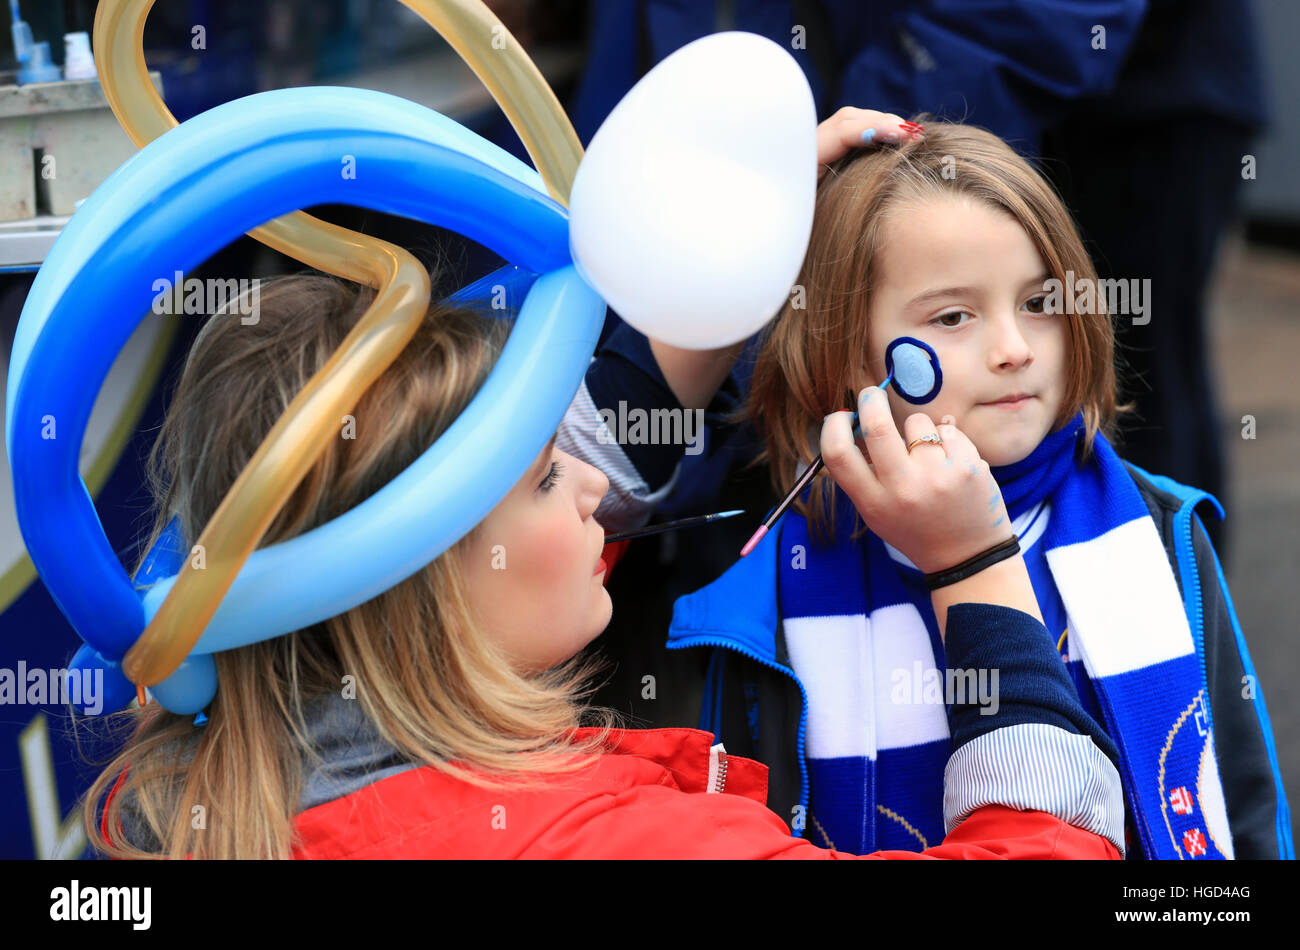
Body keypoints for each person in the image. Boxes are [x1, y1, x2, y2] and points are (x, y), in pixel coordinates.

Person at [81, 269, 1124, 859]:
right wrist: (979, 571)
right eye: (543, 477)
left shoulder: (176, 794)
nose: (591, 488)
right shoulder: (606, 844)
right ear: (420, 587)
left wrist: (725, 259)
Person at [579, 120, 1291, 859]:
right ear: (845, 353)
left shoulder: (1160, 527)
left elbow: (1244, 807)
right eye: (953, 316)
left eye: (1041, 302)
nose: (1014, 349)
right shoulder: (771, 590)